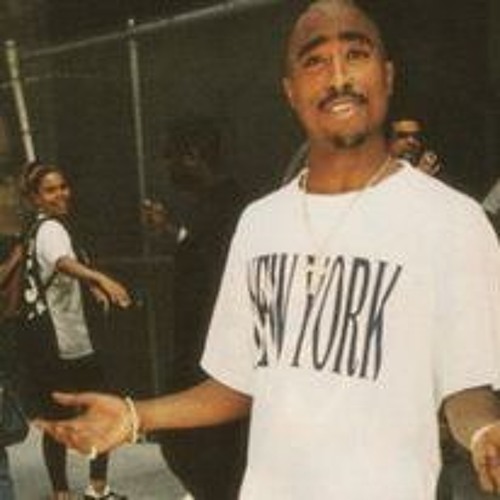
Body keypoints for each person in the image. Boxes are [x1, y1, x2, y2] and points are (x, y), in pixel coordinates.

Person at [35, 1, 500, 498]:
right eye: (315, 61)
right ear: (291, 91)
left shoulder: (452, 220)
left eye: (356, 54)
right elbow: (238, 382)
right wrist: (134, 416)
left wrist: (484, 434)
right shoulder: (260, 223)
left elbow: (469, 385)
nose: (338, 76)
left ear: (386, 76)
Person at [141, 119, 249, 500]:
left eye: (171, 157)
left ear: (192, 157)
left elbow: (214, 274)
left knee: (205, 459)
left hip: (210, 361)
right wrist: (173, 233)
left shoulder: (231, 209)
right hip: (205, 359)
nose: (167, 167)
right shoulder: (218, 207)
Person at [18, 162, 131, 500]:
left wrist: (91, 287)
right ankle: (94, 488)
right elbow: (62, 263)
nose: (61, 194)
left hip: (57, 342)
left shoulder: (36, 229)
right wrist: (101, 279)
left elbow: (62, 270)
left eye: (63, 186)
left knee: (57, 420)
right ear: (35, 198)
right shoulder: (51, 228)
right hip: (67, 341)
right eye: (50, 190)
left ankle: (64, 493)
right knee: (99, 411)